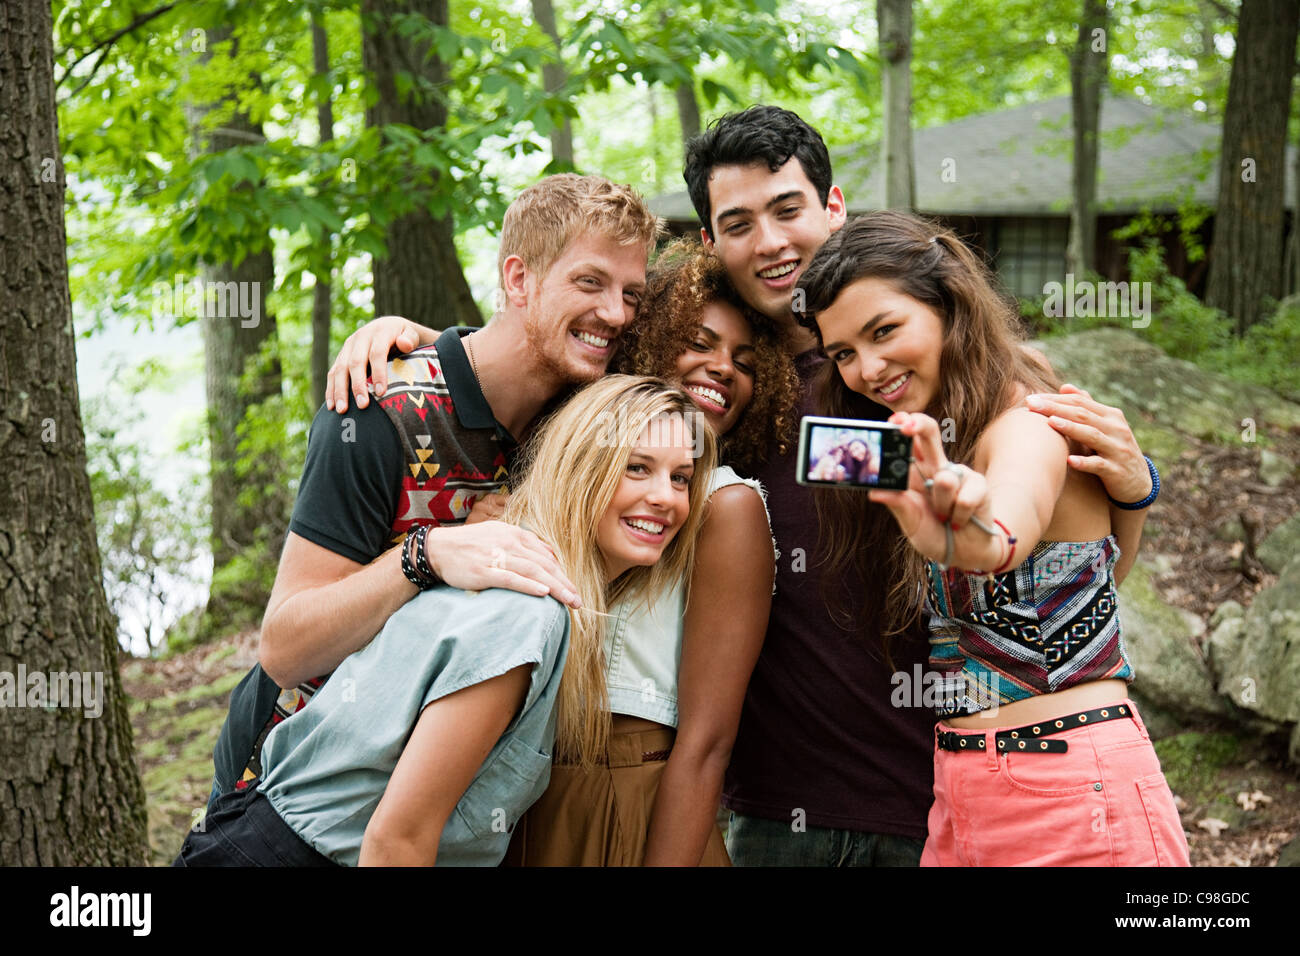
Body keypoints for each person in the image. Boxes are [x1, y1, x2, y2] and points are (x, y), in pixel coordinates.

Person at [331, 105, 1158, 867]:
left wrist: (1134, 492)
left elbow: (1057, 563)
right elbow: (553, 344)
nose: (768, 241)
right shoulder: (698, 401)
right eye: (738, 224)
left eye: (787, 210)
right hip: (774, 812)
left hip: (933, 793)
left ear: (834, 207)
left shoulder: (912, 385)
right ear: (711, 242)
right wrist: (423, 348)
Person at [206, 174, 662, 806]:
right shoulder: (374, 413)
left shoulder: (581, 423)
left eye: (630, 293)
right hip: (289, 787)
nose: (615, 314)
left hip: (443, 800)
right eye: (590, 282)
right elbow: (284, 646)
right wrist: (426, 556)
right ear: (519, 279)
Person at [177, 376, 717, 866]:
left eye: (681, 478)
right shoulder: (527, 610)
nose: (665, 497)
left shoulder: (525, 578)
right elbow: (397, 840)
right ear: (582, 469)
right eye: (638, 467)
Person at [795, 211, 1187, 866]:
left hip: (1065, 789)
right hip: (970, 792)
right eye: (843, 353)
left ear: (949, 303)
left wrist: (968, 535)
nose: (866, 368)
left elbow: (1001, 535)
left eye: (884, 330)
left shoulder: (1026, 419)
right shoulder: (946, 424)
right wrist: (1135, 494)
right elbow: (1082, 584)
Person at [501, 240, 799, 866]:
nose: (723, 367)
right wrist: (410, 337)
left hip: (635, 799)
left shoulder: (724, 504)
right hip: (519, 786)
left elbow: (707, 740)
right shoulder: (570, 459)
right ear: (652, 339)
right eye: (700, 341)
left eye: (745, 361)